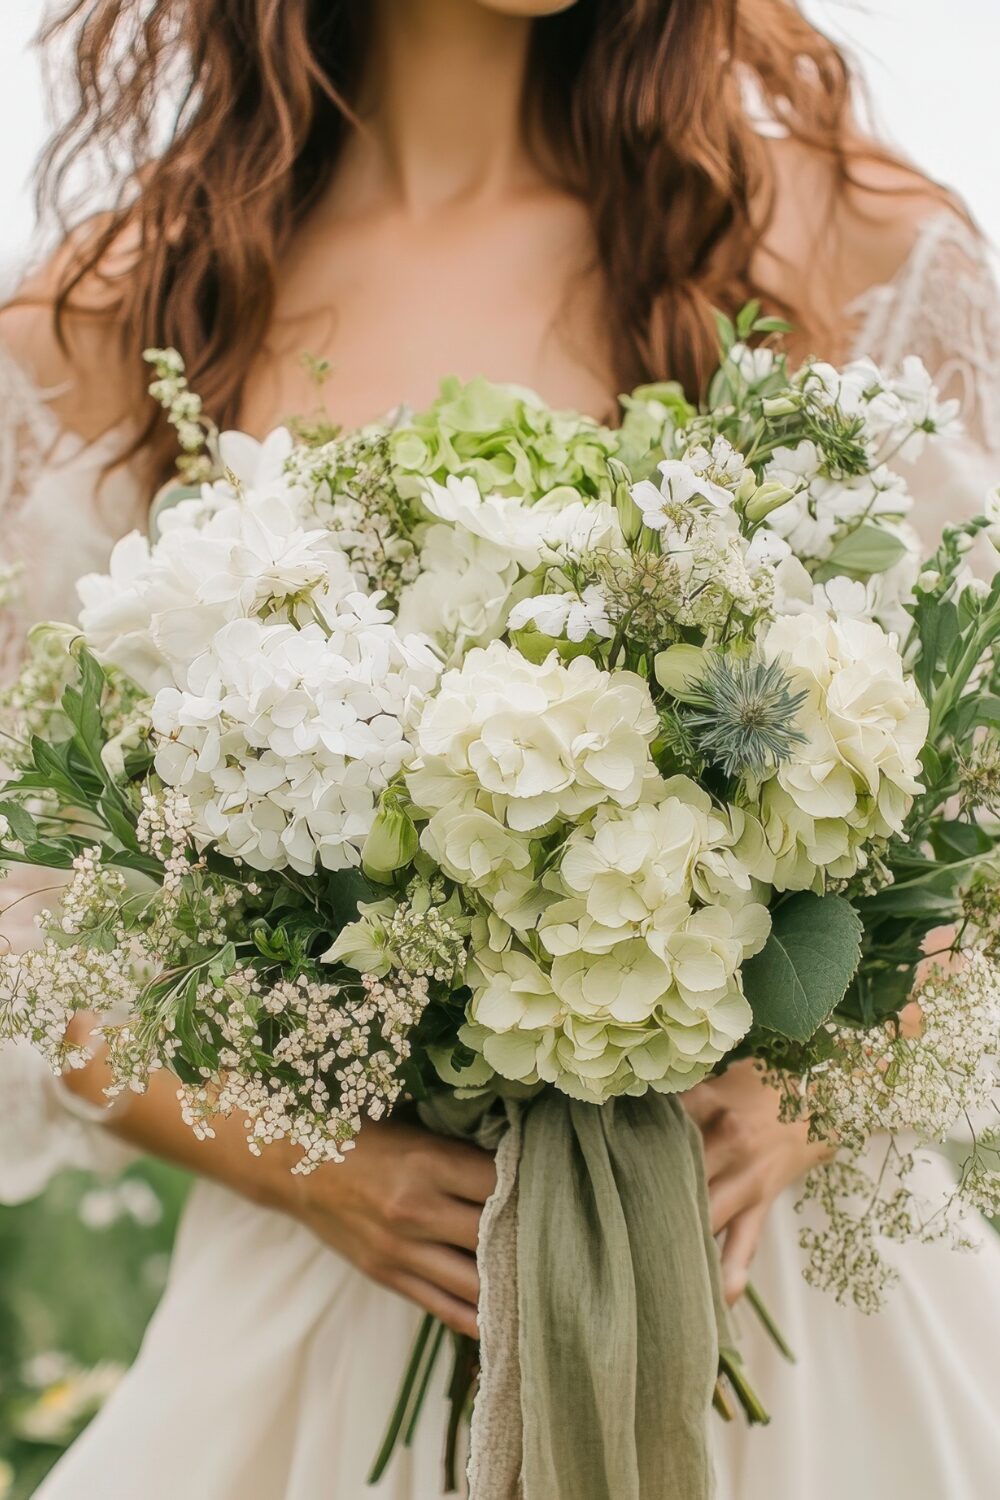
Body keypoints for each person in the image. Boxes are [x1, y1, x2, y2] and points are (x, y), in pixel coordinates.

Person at [1, 2, 998, 1495]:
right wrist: (311, 1168)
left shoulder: (845, 241)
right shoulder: (112, 319)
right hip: (355, 1307)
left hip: (803, 1305)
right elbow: (26, 930)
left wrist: (818, 1096)